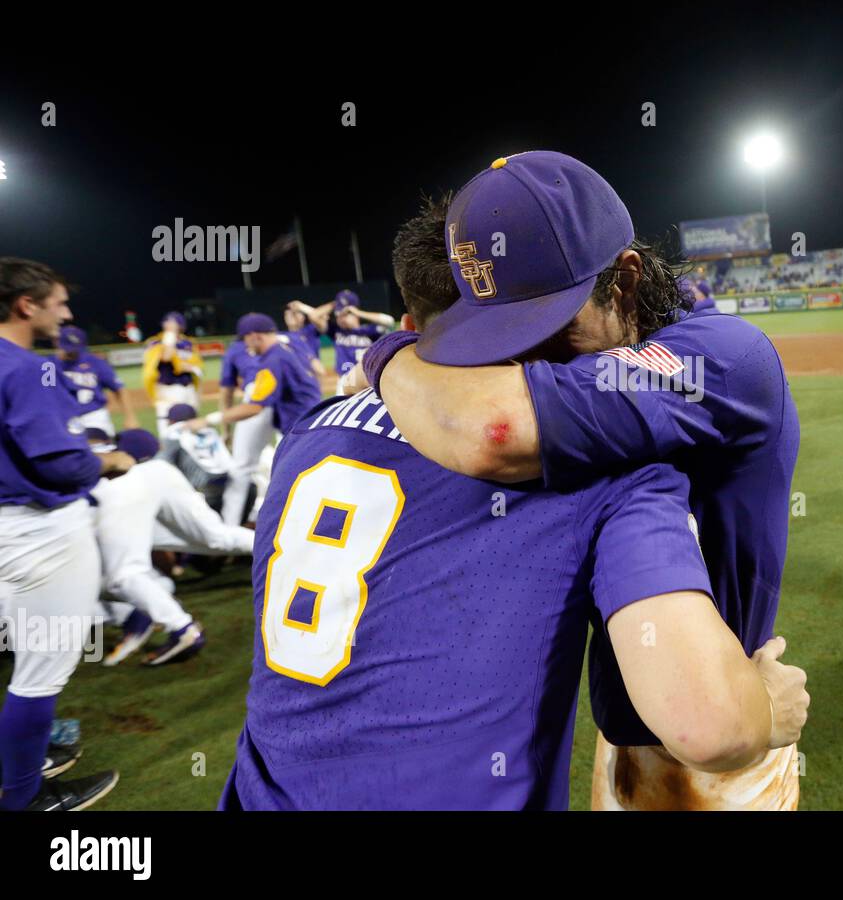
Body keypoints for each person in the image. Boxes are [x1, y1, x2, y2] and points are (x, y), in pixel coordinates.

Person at [220, 185, 808, 811]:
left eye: (552, 324)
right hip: (658, 704)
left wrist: (390, 355)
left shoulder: (725, 359)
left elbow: (496, 432)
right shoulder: (596, 461)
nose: (531, 359)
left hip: (720, 701)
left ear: (624, 282)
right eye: (503, 331)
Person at [0, 257, 134, 811]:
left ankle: (19, 763)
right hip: (37, 531)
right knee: (40, 670)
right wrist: (108, 461)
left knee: (20, 655)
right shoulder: (26, 367)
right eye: (57, 302)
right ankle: (25, 798)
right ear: (25, 305)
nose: (68, 312)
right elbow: (60, 465)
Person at [90, 428, 252, 665]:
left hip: (115, 484)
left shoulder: (30, 423)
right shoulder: (50, 418)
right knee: (216, 536)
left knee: (121, 574)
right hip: (155, 471)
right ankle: (284, 548)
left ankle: (181, 628)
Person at [195, 313, 319, 527]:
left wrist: (209, 420)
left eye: (245, 338)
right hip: (310, 424)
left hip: (303, 431)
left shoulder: (273, 359)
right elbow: (318, 370)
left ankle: (236, 529)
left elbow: (254, 406)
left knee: (301, 483)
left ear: (254, 336)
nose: (245, 345)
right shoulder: (287, 347)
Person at [217, 322, 273, 525]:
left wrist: (224, 426)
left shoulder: (235, 350)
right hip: (289, 405)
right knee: (284, 460)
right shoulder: (283, 345)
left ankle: (230, 526)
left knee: (241, 467)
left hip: (257, 396)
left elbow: (227, 392)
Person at [298, 292, 394, 395]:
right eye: (338, 315)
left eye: (344, 315)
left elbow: (389, 321)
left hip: (367, 381)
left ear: (354, 313)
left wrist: (358, 312)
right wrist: (336, 303)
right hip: (344, 383)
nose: (340, 319)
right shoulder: (336, 331)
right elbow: (314, 315)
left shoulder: (370, 330)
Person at [55, 325, 137, 435]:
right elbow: (44, 392)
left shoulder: (95, 362)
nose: (71, 353)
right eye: (67, 349)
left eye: (74, 349)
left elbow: (119, 388)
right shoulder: (50, 365)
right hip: (64, 418)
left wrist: (130, 417)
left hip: (94, 417)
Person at [142, 312, 204, 428]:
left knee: (192, 425)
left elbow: (196, 364)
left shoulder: (188, 343)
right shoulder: (156, 342)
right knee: (169, 428)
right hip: (169, 390)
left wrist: (188, 366)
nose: (170, 325)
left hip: (189, 388)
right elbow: (167, 356)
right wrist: (170, 335)